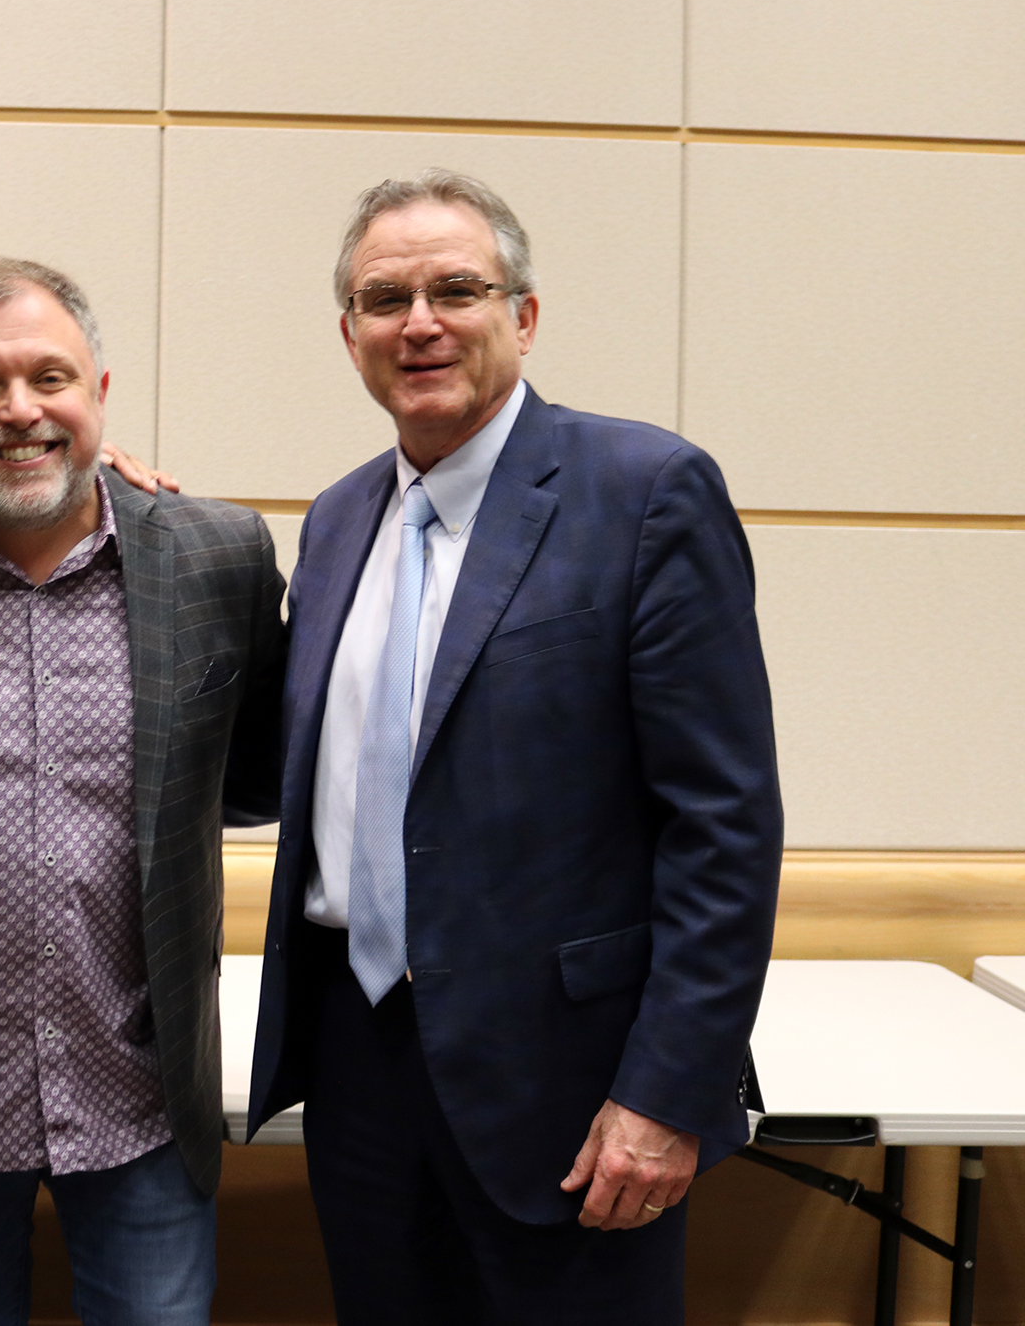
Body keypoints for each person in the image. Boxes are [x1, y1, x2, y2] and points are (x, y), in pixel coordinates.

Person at [245, 169, 782, 1322]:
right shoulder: (339, 520)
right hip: (358, 1068)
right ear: (349, 337)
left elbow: (723, 825)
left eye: (455, 288)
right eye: (384, 299)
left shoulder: (643, 492)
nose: (419, 322)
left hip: (571, 1088)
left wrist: (665, 1092)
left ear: (522, 316)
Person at [0, 257, 286, 1326]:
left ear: (101, 396)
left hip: (141, 1098)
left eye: (50, 379)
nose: (18, 409)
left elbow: (251, 778)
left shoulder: (217, 557)